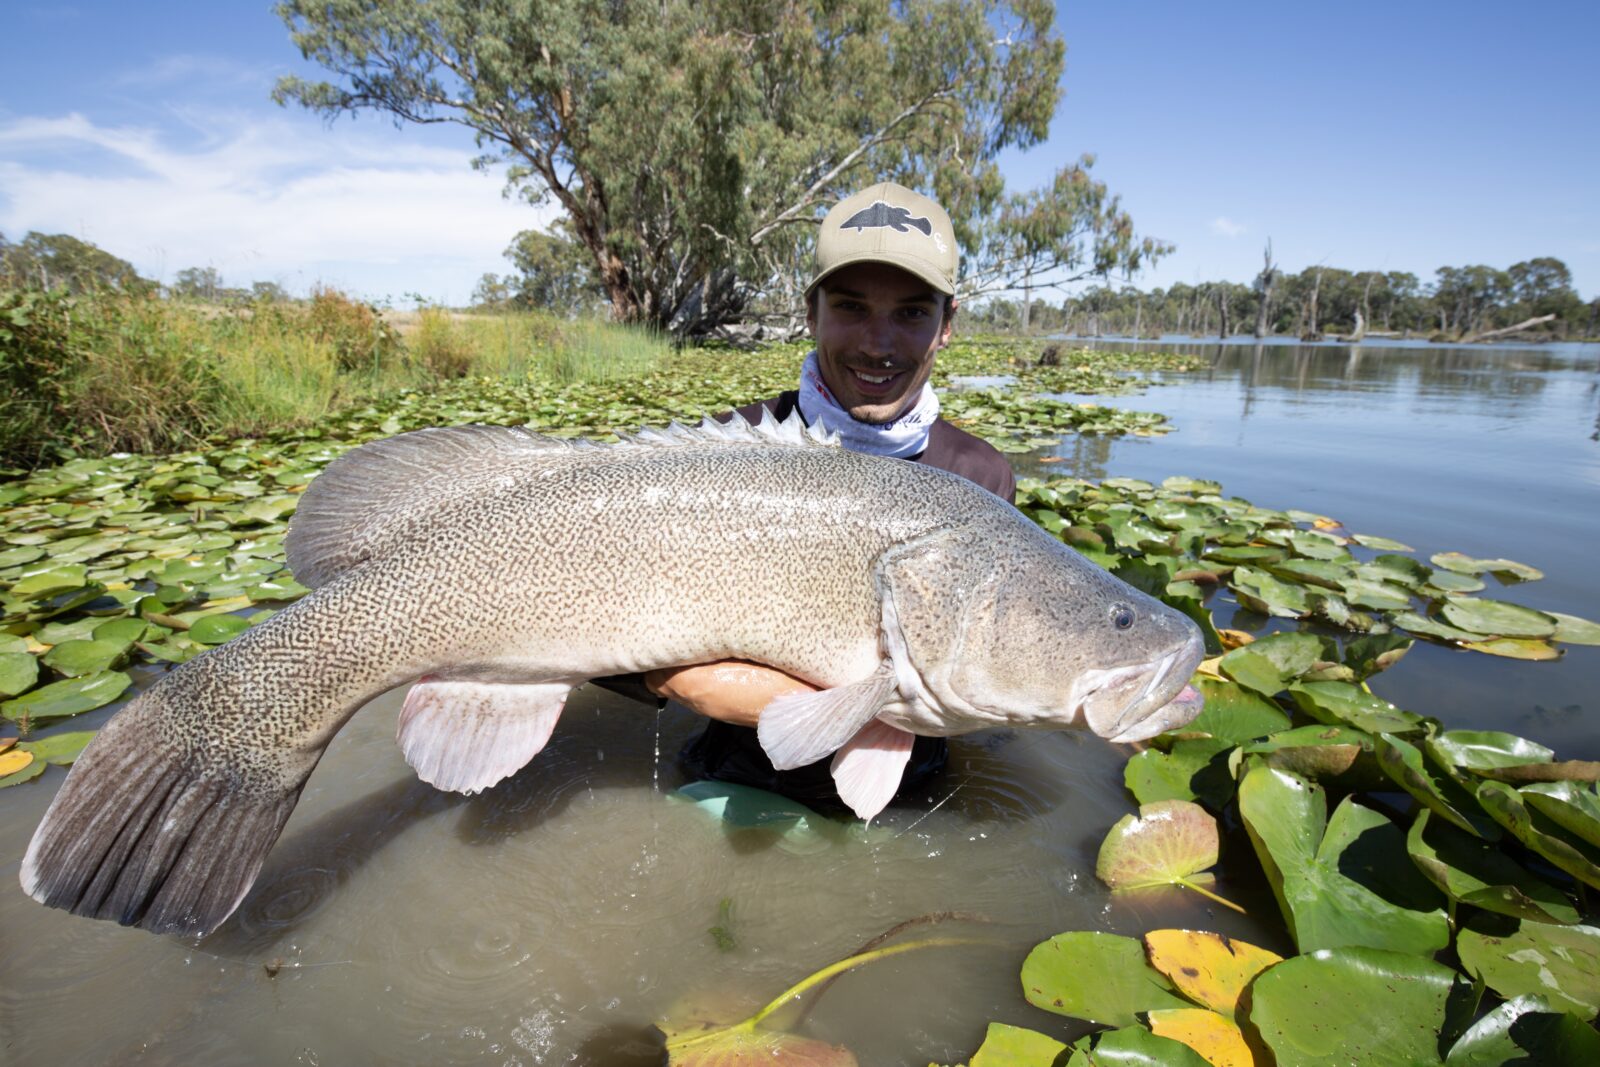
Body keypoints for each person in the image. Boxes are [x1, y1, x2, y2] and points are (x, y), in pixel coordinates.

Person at [608, 182, 1015, 807]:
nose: (877, 344)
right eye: (851, 307)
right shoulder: (729, 447)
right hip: (733, 778)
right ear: (812, 311)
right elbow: (586, 594)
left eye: (910, 313)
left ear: (946, 325)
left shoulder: (980, 478)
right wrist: (672, 680)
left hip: (914, 792)